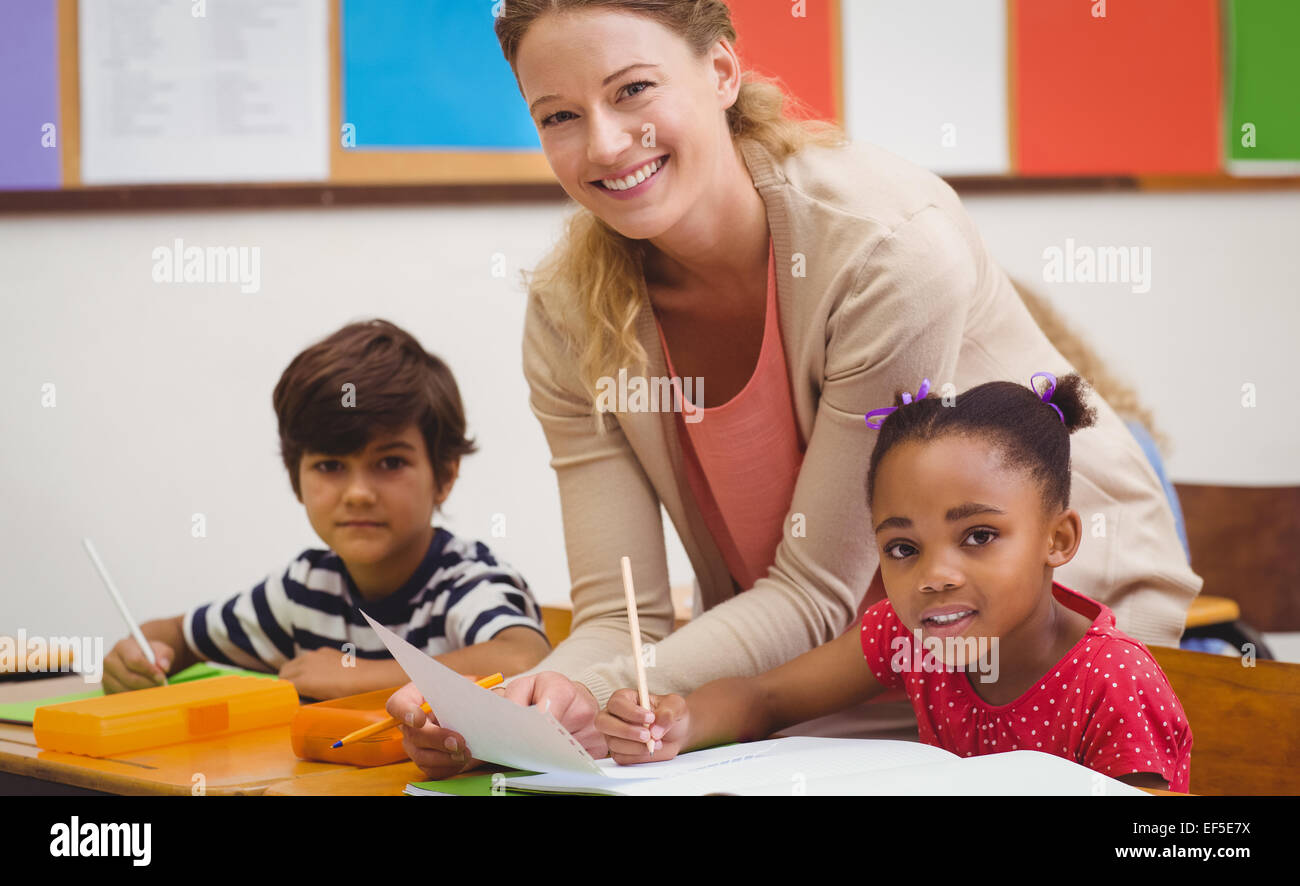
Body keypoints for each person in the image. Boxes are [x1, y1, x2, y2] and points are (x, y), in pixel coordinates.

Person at [390, 0, 1200, 776]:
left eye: (632, 89)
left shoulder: (886, 250)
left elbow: (814, 589)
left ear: (721, 71)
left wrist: (585, 698)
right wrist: (520, 711)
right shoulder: (571, 313)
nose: (603, 144)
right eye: (558, 115)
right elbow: (618, 617)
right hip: (828, 680)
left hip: (1051, 656)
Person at [596, 374, 1193, 791]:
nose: (934, 576)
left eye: (979, 536)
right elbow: (766, 698)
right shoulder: (906, 638)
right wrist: (680, 722)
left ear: (1057, 540)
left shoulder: (1114, 682)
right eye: (903, 548)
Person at [103, 320, 550, 697]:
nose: (358, 493)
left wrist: (361, 677)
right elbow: (181, 636)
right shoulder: (303, 591)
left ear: (445, 475)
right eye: (330, 465)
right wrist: (141, 655)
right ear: (296, 479)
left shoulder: (466, 582)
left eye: (390, 462)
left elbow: (522, 657)